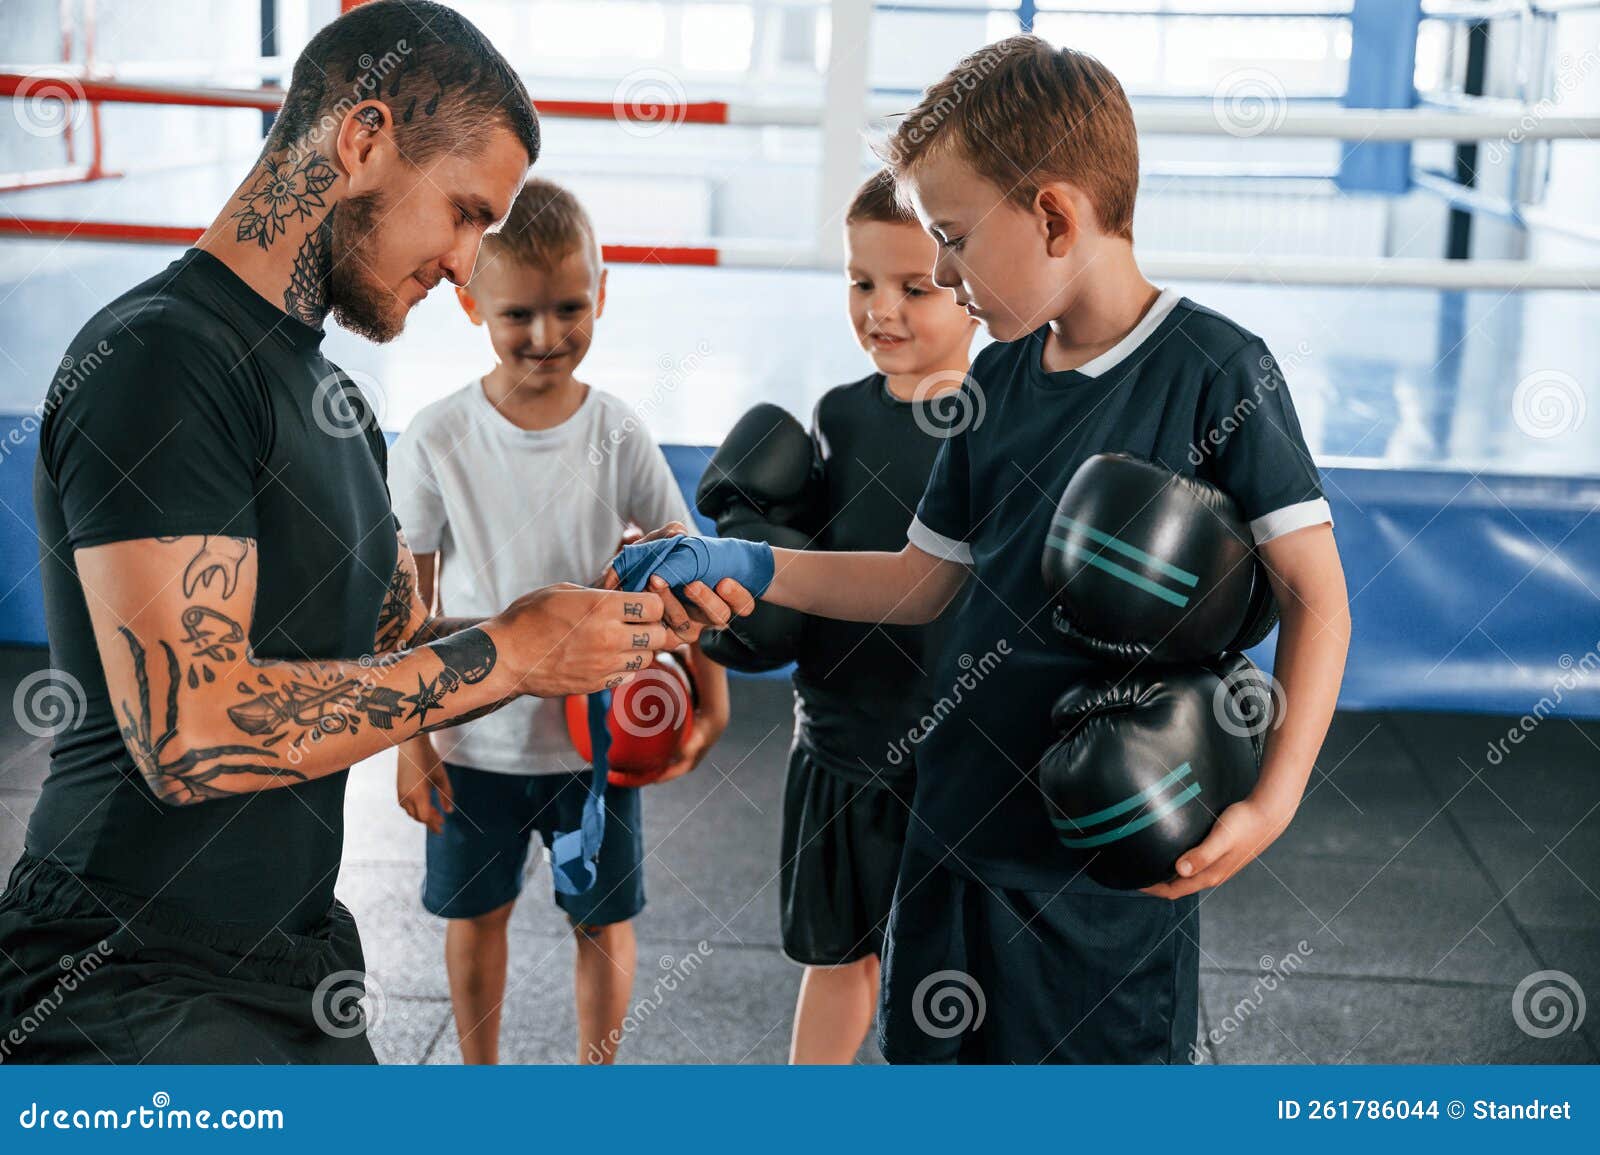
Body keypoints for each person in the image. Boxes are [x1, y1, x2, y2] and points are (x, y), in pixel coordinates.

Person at [0, 0, 747, 1065]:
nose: (465, 265)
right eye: (464, 212)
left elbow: (399, 638)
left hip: (292, 957)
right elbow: (192, 733)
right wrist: (511, 653)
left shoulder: (333, 398)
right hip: (122, 977)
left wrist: (602, 627)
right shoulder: (160, 361)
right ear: (361, 139)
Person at [618, 36, 1351, 1063]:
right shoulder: (996, 383)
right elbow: (925, 581)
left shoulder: (1215, 369)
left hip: (1091, 874)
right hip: (950, 837)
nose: (949, 275)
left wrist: (1272, 800)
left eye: (955, 238)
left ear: (1053, 214)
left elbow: (1316, 595)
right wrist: (745, 563)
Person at [388, 178, 730, 1065]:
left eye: (570, 307)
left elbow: (688, 567)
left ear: (602, 294)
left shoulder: (618, 431)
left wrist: (713, 693)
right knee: (474, 918)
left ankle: (595, 1084)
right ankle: (480, 1082)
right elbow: (409, 611)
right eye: (519, 315)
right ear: (471, 304)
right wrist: (410, 741)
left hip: (599, 746)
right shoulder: (434, 438)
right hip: (472, 745)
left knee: (604, 922)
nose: (546, 336)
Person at [781, 171, 976, 1063]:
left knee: (951, 978)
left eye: (915, 287)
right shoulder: (838, 418)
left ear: (972, 291)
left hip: (964, 761)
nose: (880, 311)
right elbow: (815, 566)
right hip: (842, 738)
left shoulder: (1004, 421)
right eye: (862, 283)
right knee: (838, 956)